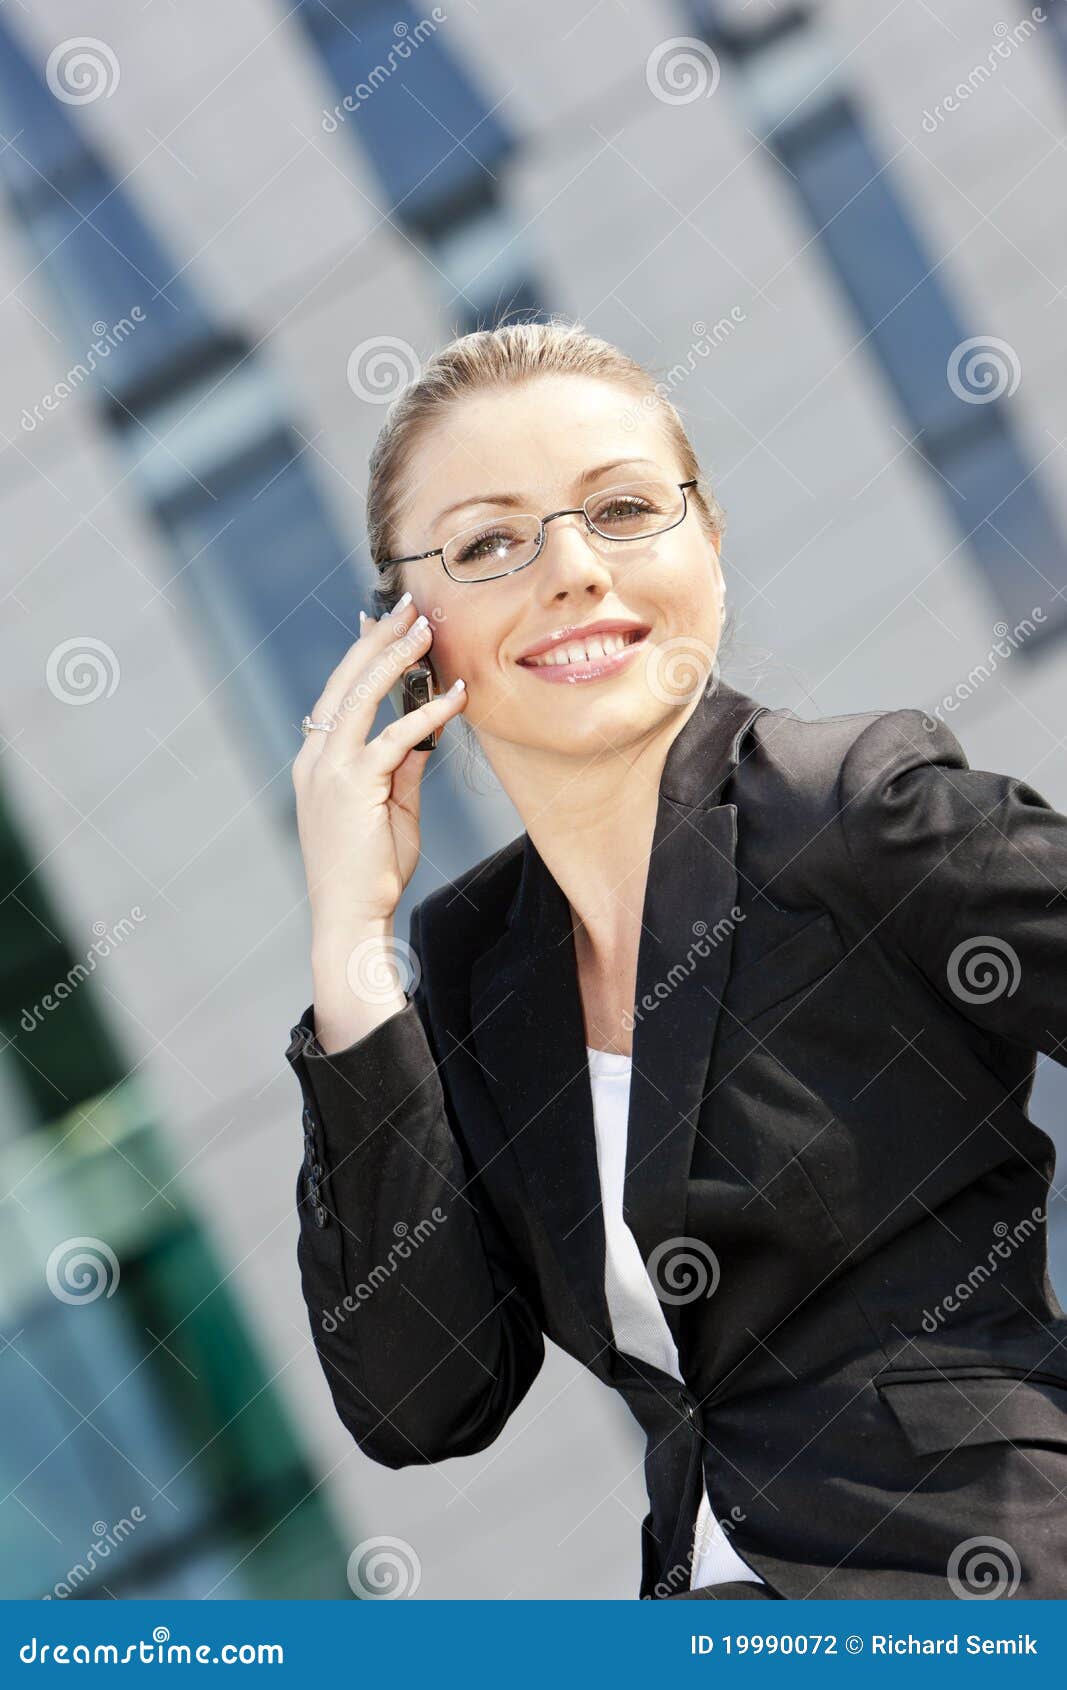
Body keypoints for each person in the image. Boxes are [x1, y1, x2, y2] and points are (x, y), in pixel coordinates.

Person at [287, 318, 1067, 1600]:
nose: (573, 571)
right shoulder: (477, 961)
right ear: (405, 633)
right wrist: (348, 949)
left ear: (705, 541)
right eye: (488, 542)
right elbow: (423, 1397)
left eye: (623, 508)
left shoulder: (854, 811)